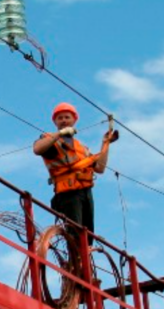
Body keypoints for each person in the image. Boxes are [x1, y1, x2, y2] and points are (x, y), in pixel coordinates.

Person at [32, 101, 117, 241]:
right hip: (68, 193)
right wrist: (59, 134)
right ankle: (75, 260)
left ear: (74, 120)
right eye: (60, 118)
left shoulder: (81, 147)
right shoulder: (51, 139)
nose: (64, 120)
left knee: (87, 234)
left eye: (67, 117)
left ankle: (84, 258)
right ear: (55, 122)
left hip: (85, 192)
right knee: (75, 233)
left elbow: (99, 168)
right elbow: (37, 149)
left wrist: (105, 143)